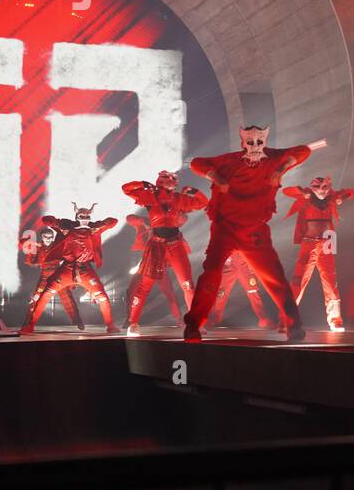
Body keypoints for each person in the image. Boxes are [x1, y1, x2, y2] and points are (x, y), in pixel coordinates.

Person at [182, 125, 311, 342]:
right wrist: (216, 178)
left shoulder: (274, 159)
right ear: (242, 143)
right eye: (249, 142)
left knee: (274, 277)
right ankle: (193, 325)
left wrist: (281, 169)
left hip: (254, 230)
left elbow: (304, 150)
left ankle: (293, 325)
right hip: (225, 228)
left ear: (265, 141)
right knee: (211, 275)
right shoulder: (230, 160)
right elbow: (197, 163)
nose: (254, 147)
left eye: (259, 142)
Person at [122, 171, 207, 331]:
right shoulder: (150, 197)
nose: (171, 181)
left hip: (176, 245)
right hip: (156, 245)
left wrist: (194, 191)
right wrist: (142, 184)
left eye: (174, 179)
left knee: (188, 284)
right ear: (160, 182)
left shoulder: (179, 199)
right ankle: (133, 322)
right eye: (167, 179)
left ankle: (194, 322)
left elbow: (202, 203)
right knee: (144, 286)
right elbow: (126, 189)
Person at [21, 203, 119, 334]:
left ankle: (110, 325)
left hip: (85, 269)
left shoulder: (93, 228)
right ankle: (30, 325)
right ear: (76, 216)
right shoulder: (67, 227)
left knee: (102, 297)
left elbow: (114, 221)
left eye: (87, 215)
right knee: (45, 295)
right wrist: (60, 224)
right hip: (66, 268)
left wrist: (98, 225)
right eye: (81, 215)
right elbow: (46, 220)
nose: (84, 218)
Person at [283, 176, 354, 330]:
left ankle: (335, 319)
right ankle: (287, 319)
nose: (321, 191)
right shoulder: (307, 197)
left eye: (325, 187)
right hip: (309, 241)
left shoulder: (332, 197)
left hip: (328, 240)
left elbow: (350, 192)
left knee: (330, 280)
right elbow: (286, 190)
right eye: (318, 187)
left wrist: (340, 198)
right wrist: (302, 192)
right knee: (299, 280)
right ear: (312, 187)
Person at [123, 213, 183, 327]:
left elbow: (182, 219)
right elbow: (129, 218)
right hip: (145, 265)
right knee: (132, 291)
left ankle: (179, 319)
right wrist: (144, 223)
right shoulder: (145, 222)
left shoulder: (168, 222)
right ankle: (130, 319)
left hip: (160, 264)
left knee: (169, 293)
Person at [24, 223, 82, 330]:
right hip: (45, 278)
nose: (48, 239)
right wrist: (30, 249)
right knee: (36, 299)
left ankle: (78, 321)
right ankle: (28, 324)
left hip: (58, 277)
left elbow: (67, 256)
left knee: (68, 299)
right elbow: (31, 262)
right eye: (46, 237)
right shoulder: (38, 247)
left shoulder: (57, 246)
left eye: (50, 237)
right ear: (42, 237)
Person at [207, 253, 274, 328]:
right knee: (221, 293)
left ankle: (263, 319)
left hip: (244, 261)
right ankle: (214, 319)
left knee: (252, 291)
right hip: (229, 261)